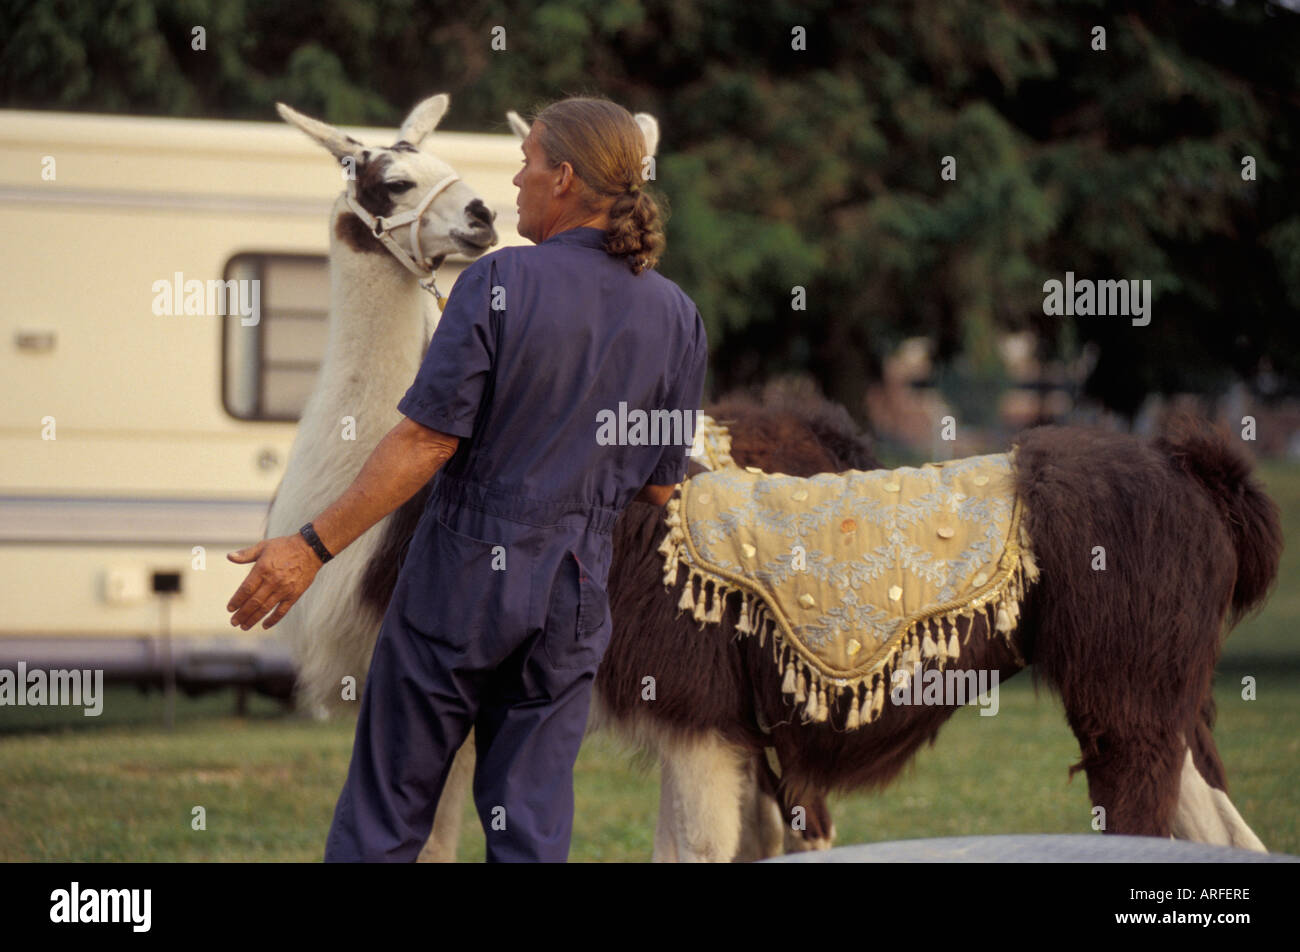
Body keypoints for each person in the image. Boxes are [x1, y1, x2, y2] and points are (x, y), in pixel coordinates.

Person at [224, 96, 708, 862]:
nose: (515, 180)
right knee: (529, 831)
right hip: (576, 598)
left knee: (386, 818)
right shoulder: (676, 315)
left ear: (564, 178)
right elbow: (658, 489)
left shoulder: (499, 281)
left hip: (460, 586)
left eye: (528, 162)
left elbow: (424, 443)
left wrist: (309, 546)